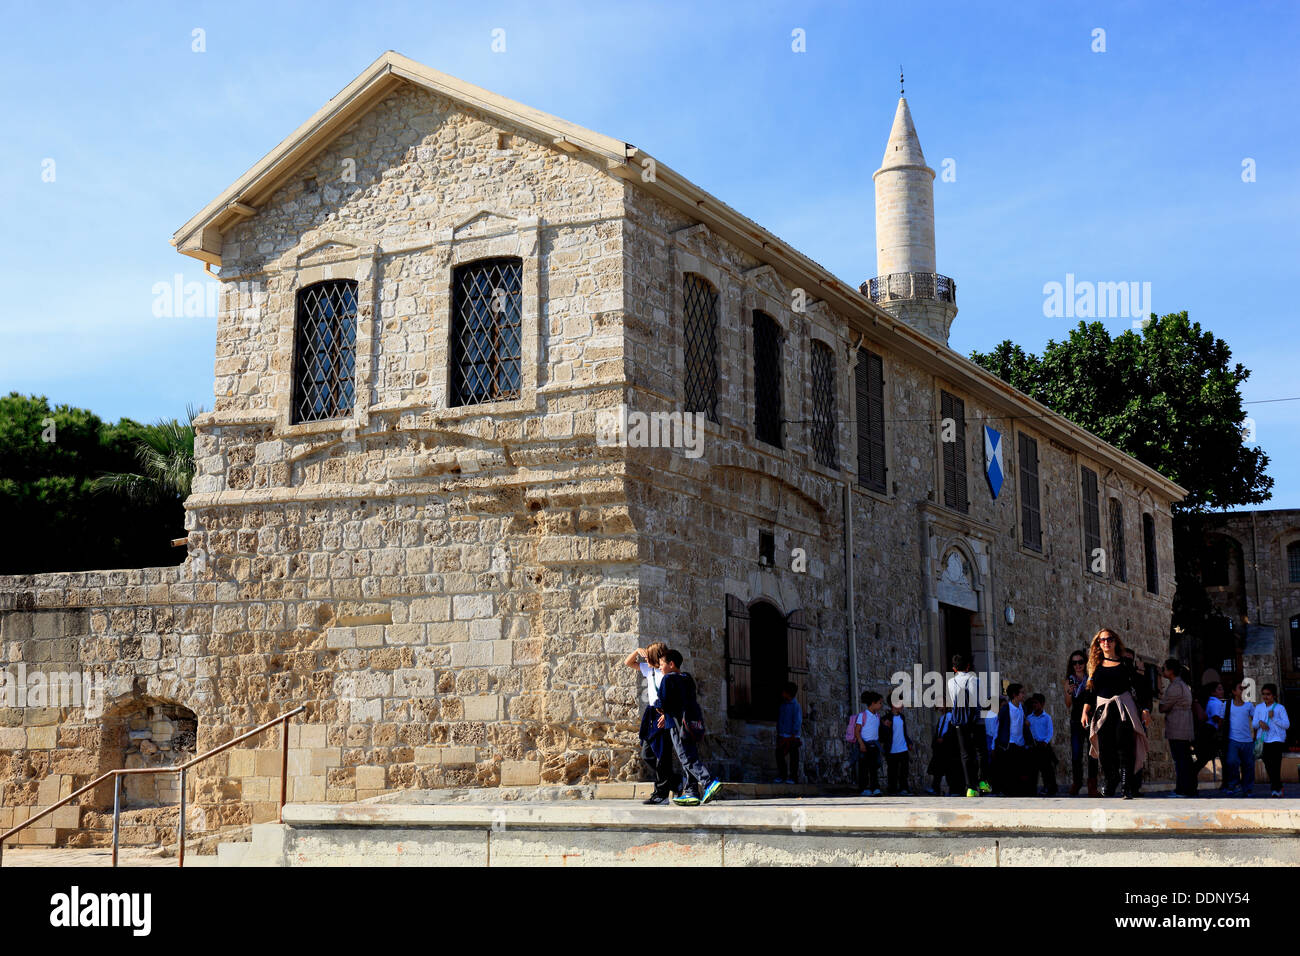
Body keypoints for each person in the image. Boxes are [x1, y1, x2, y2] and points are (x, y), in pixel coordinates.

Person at [1081, 628, 1151, 799]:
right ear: (1098, 643)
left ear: (1115, 642)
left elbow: (1140, 688)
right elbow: (1090, 692)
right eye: (1102, 640)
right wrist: (1085, 711)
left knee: (1124, 747)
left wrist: (1145, 710)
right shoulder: (1095, 665)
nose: (1106, 642)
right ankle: (1111, 778)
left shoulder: (1126, 664)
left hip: (1123, 709)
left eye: (1109, 639)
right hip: (1103, 710)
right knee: (1105, 750)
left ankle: (1127, 787)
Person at [656, 649, 722, 806]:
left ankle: (709, 782)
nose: (660, 668)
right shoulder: (687, 678)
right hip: (691, 723)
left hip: (677, 724)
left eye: (661, 664)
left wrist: (658, 707)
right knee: (690, 754)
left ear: (671, 664)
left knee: (686, 757)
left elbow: (663, 703)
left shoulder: (667, 679)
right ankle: (691, 792)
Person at [625, 642, 677, 804]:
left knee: (662, 755)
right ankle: (676, 782)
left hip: (664, 714)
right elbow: (628, 663)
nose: (645, 659)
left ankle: (661, 794)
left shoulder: (668, 672)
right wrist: (636, 651)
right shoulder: (650, 670)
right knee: (647, 753)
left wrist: (668, 715)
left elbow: (675, 696)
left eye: (649, 656)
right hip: (651, 713)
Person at [947, 655, 991, 797]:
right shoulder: (975, 680)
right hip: (976, 721)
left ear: (954, 668)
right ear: (968, 667)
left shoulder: (950, 682)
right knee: (981, 752)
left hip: (960, 721)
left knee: (965, 754)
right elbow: (982, 701)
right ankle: (982, 780)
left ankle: (970, 788)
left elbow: (952, 700)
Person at [1158, 659, 1196, 797]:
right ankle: (1189, 789)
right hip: (1185, 727)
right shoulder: (1183, 685)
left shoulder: (1175, 686)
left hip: (1177, 727)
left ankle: (1182, 789)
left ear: (1171, 670)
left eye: (1164, 669)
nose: (1163, 672)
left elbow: (1163, 707)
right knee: (1185, 760)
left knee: (1180, 760)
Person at [1063, 649, 1098, 796]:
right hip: (1076, 720)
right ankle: (1077, 782)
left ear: (1085, 663)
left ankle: (1092, 785)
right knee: (1076, 753)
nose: (1078, 665)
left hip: (1091, 719)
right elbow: (1068, 704)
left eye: (1080, 662)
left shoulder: (1090, 679)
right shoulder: (1069, 680)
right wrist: (1069, 692)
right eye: (1074, 663)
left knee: (1092, 753)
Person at [995, 684, 1032, 796]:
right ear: (1015, 695)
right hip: (1009, 743)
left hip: (1021, 743)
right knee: (1010, 769)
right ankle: (1009, 791)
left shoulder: (1023, 708)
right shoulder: (1006, 709)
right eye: (1021, 692)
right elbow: (999, 727)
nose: (1023, 695)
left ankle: (1019, 791)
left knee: (1020, 769)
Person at [1220, 679, 1255, 797]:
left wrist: (1255, 736)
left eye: (1244, 688)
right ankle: (1234, 784)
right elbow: (1220, 721)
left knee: (1248, 765)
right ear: (1234, 691)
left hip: (1247, 740)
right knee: (1231, 761)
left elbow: (1255, 721)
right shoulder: (1227, 705)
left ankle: (1247, 788)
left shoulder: (1249, 706)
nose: (1243, 690)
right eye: (1241, 688)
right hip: (1232, 740)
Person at [1253, 683, 1290, 798]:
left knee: (1276, 765)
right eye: (1263, 694)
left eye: (1268, 694)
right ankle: (1278, 785)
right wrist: (1260, 723)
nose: (1265, 697)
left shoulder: (1280, 708)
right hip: (1263, 740)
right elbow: (1254, 724)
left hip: (1277, 740)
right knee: (1268, 765)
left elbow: (1286, 725)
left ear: (1273, 695)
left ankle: (1275, 789)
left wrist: (1274, 718)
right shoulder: (1259, 708)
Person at [1192, 681, 1226, 779]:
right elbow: (1216, 718)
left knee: (1205, 758)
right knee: (1205, 757)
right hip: (1210, 732)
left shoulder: (1213, 702)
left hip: (1208, 731)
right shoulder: (1215, 703)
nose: (1222, 691)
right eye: (1219, 689)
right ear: (1213, 692)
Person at [1027, 693, 1058, 796]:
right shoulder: (1029, 718)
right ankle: (1032, 789)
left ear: (1042, 704)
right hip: (1034, 746)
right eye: (1033, 703)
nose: (1034, 705)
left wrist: (1045, 742)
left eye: (1036, 703)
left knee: (1047, 770)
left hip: (1044, 746)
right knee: (1033, 769)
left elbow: (1050, 732)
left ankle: (1049, 788)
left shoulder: (1046, 717)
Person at [854, 691, 885, 796]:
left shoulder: (877, 716)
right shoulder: (863, 715)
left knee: (874, 768)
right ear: (873, 703)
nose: (881, 705)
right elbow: (857, 731)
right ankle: (864, 788)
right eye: (879, 703)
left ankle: (875, 788)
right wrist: (861, 744)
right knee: (864, 768)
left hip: (874, 746)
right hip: (865, 746)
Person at [882, 698, 912, 795]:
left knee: (904, 771)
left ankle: (904, 788)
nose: (902, 706)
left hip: (903, 748)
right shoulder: (886, 718)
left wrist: (909, 742)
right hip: (892, 749)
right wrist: (886, 726)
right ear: (894, 705)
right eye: (900, 703)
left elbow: (904, 732)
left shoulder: (902, 717)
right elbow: (883, 735)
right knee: (892, 771)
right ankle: (892, 789)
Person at [775, 681, 802, 784]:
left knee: (793, 757)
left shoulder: (796, 706)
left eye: (784, 692)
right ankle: (782, 775)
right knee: (779, 755)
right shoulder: (783, 705)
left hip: (792, 736)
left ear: (788, 693)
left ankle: (793, 777)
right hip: (782, 734)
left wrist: (793, 735)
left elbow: (797, 722)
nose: (782, 693)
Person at [927, 707, 957, 795]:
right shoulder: (941, 718)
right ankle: (935, 788)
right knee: (937, 770)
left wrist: (944, 738)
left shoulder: (950, 716)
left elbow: (951, 731)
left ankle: (953, 790)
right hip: (939, 747)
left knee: (949, 770)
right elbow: (938, 731)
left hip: (947, 747)